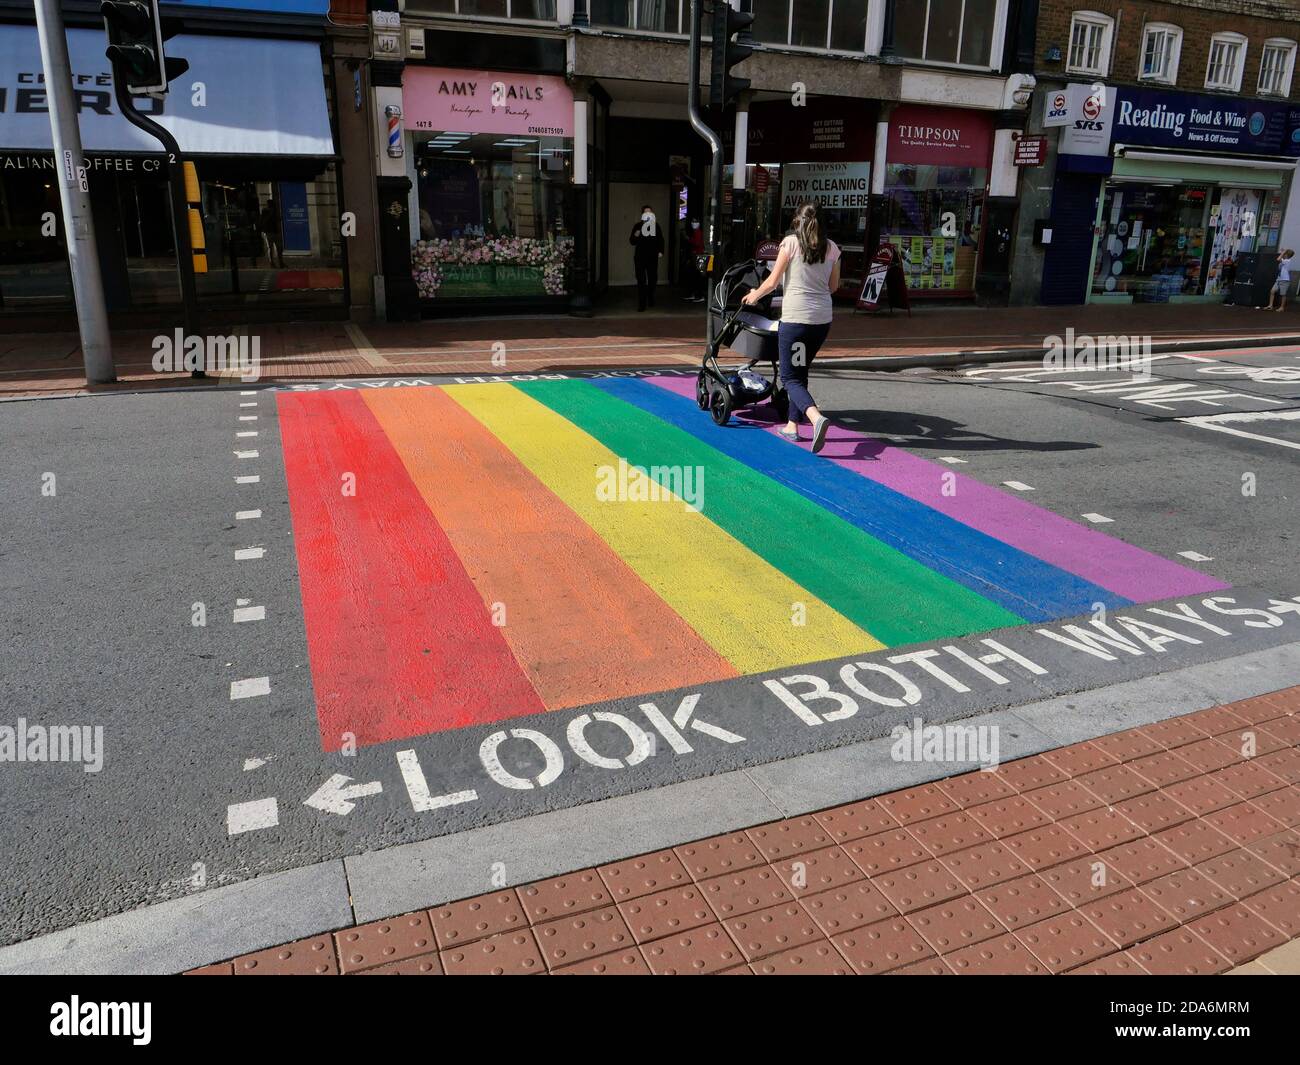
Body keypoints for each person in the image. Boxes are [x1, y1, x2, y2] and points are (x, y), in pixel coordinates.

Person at [742, 202, 840, 454]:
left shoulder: (790, 243)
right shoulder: (832, 248)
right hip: (821, 321)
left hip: (796, 320)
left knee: (789, 376)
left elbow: (773, 282)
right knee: (801, 370)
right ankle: (792, 425)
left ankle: (816, 418)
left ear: (797, 221)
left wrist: (754, 295)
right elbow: (833, 287)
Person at [629, 204, 664, 311]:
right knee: (641, 280)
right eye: (646, 212)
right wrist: (636, 234)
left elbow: (661, 239)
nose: (648, 214)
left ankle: (650, 297)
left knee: (653, 279)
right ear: (642, 214)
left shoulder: (656, 226)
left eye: (650, 212)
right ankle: (642, 304)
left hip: (652, 257)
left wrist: (661, 251)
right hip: (640, 257)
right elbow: (632, 241)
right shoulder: (637, 226)